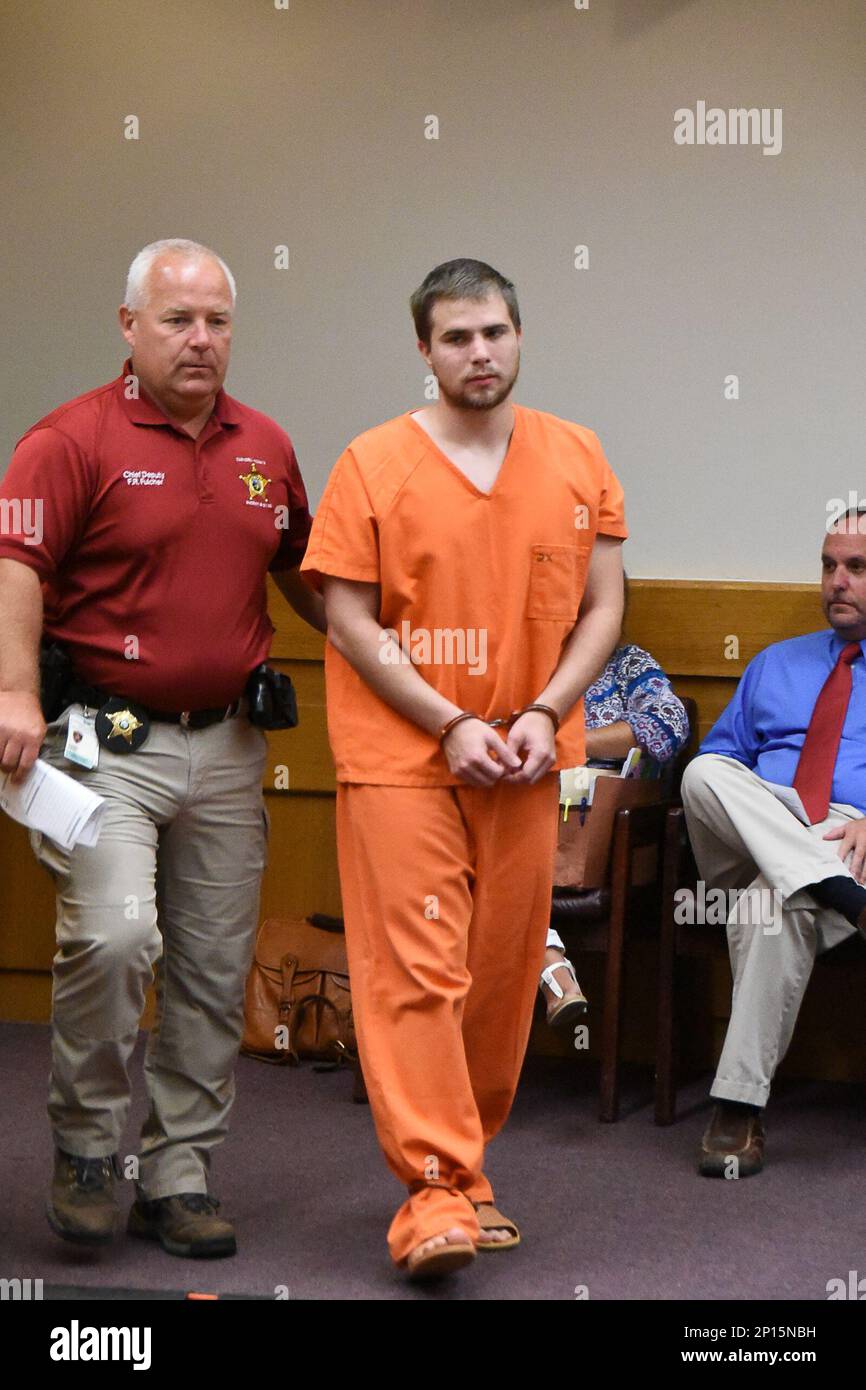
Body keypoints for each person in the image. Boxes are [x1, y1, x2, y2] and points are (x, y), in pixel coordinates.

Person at [300, 258, 627, 1279]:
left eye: (492, 332)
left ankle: (468, 1173)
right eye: (455, 338)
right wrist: (444, 721)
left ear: (518, 336)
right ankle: (433, 1192)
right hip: (404, 758)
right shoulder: (372, 463)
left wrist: (541, 709)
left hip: (525, 761)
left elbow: (603, 608)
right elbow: (347, 617)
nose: (477, 353)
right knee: (417, 973)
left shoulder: (576, 456)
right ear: (423, 351)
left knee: (494, 975)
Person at [0, 238, 324, 1256]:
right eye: (177, 319)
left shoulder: (265, 444)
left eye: (217, 320)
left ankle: (179, 1170)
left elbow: (308, 576)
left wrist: (406, 649)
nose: (199, 339)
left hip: (228, 747)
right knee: (113, 934)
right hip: (103, 746)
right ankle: (91, 1148)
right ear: (129, 326)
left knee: (212, 966)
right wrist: (11, 689)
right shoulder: (71, 437)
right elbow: (16, 568)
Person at [680, 509, 866, 1178]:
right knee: (703, 772)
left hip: (846, 837)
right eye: (828, 565)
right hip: (754, 832)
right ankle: (831, 888)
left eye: (857, 568)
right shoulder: (774, 664)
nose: (837, 581)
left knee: (777, 904)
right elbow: (719, 779)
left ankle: (737, 1106)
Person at [541, 616, 690, 1027]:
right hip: (523, 813)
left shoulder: (627, 665)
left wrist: (568, 743)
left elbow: (669, 725)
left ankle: (549, 966)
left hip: (599, 833)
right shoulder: (526, 664)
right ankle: (552, 964)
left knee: (498, 868)